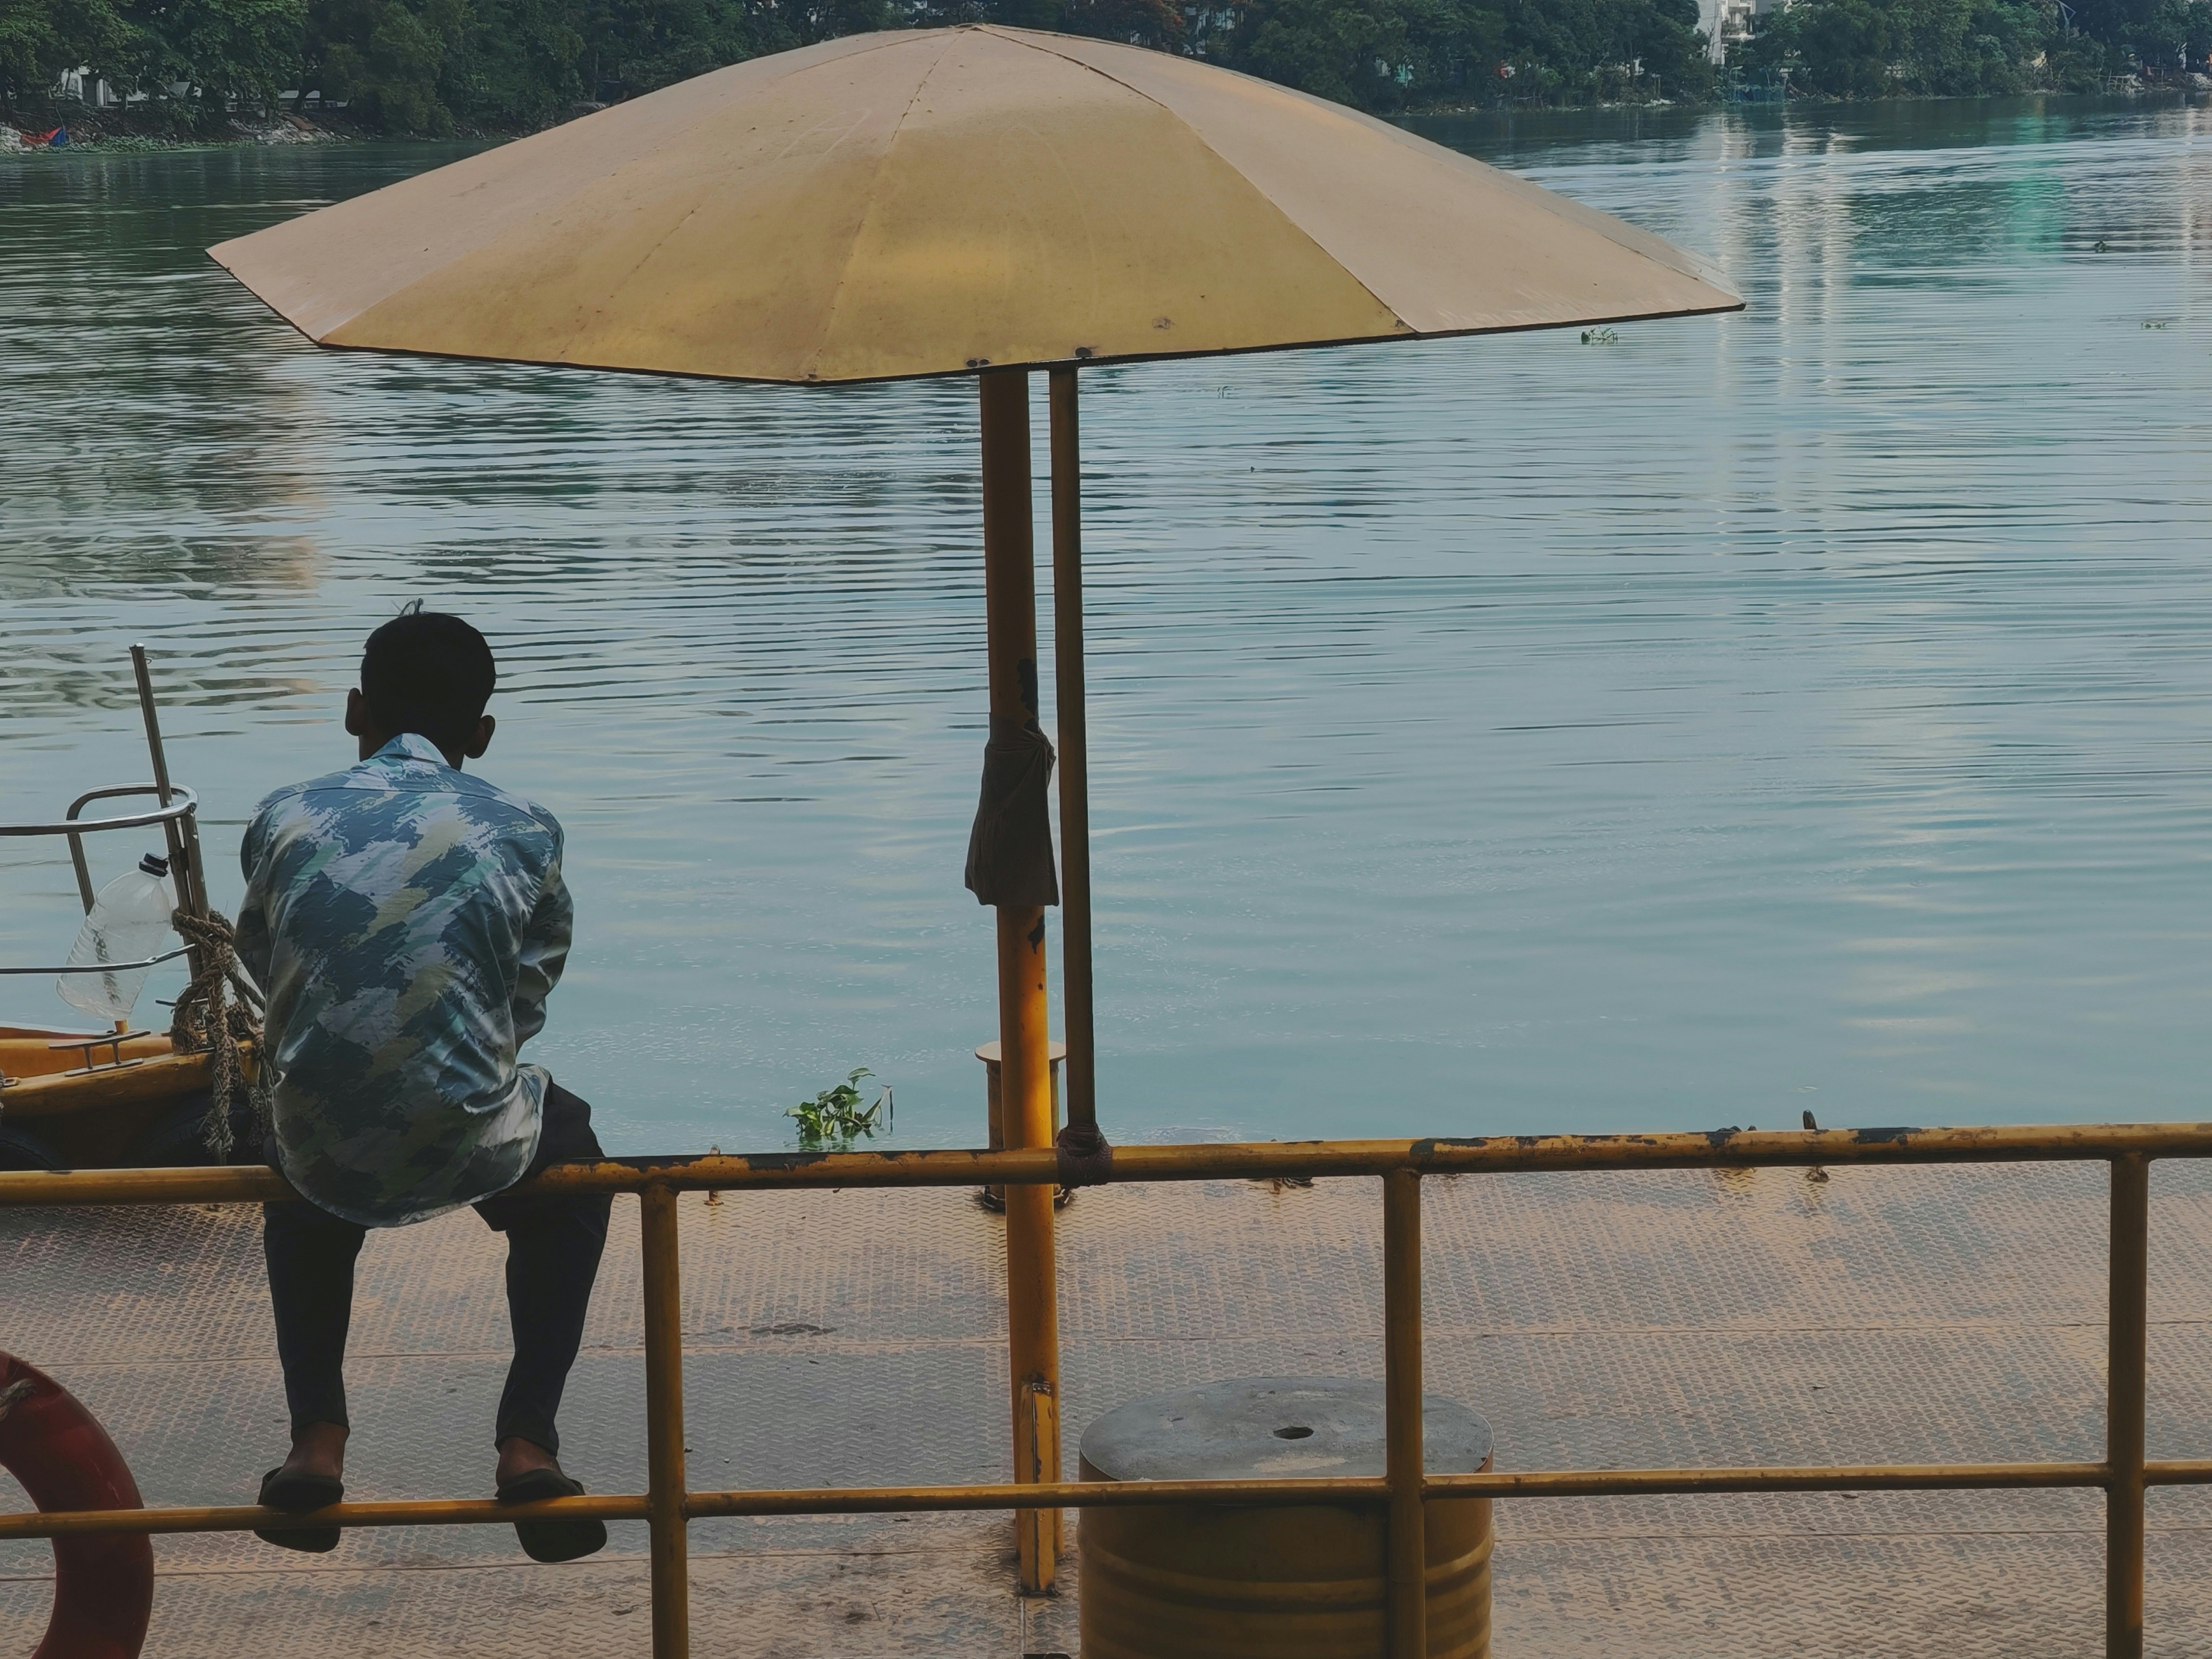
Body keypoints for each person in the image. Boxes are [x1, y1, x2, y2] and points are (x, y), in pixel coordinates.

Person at [234, 604, 610, 1562]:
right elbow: (528, 990)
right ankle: (528, 1441)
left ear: (354, 707)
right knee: (575, 1172)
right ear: (480, 734)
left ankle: (315, 1443)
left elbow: (264, 962)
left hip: (323, 1133)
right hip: (468, 1124)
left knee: (301, 1168)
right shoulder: (525, 827)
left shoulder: (284, 813)